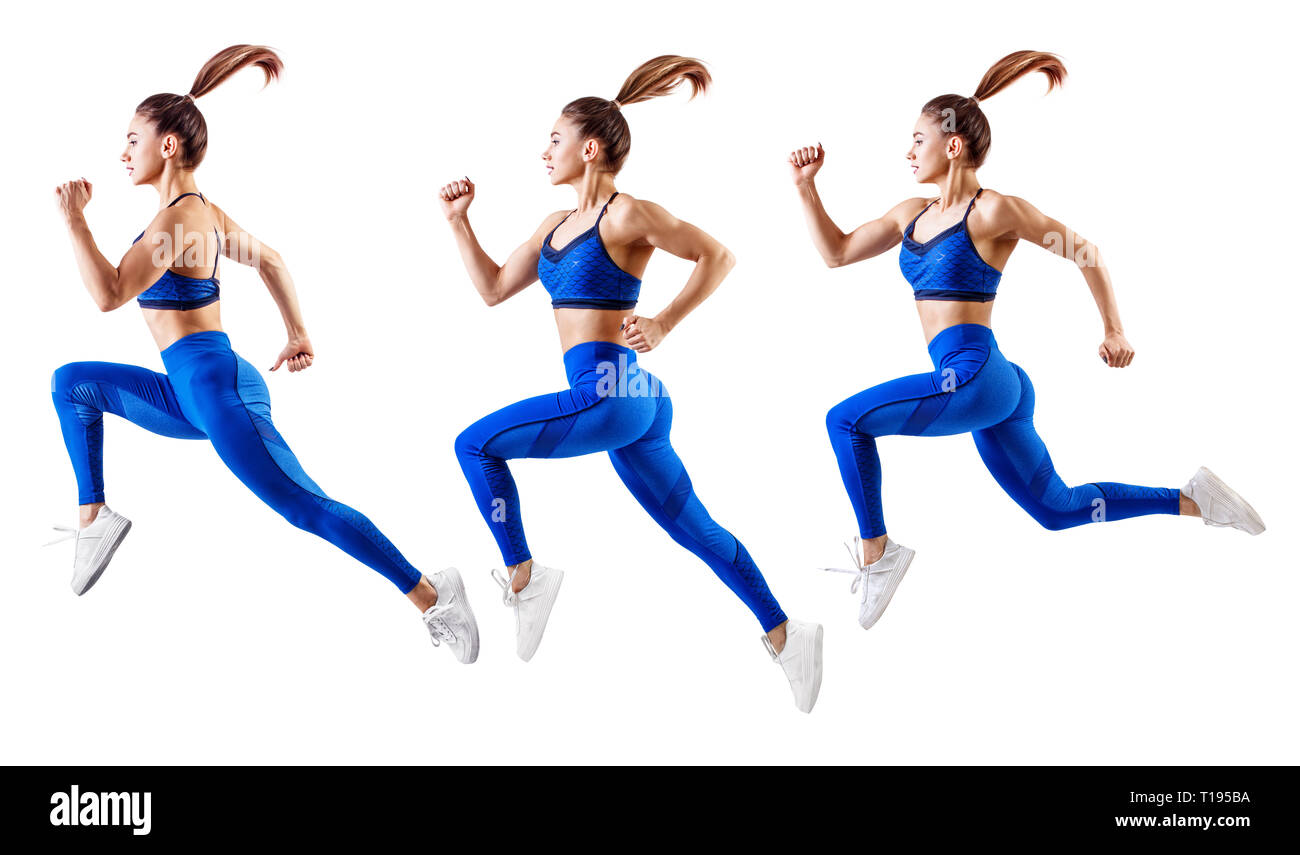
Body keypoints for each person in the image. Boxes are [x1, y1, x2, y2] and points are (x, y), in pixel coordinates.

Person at [788, 50, 1265, 631]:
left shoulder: (994, 212)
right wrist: (806, 188)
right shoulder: (910, 214)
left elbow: (1084, 249)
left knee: (844, 421)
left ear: (953, 145)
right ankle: (1195, 499)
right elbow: (836, 253)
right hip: (995, 386)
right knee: (1058, 510)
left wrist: (1113, 328)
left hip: (972, 374)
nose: (908, 151)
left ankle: (877, 552)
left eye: (917, 139)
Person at [48, 44, 478, 663]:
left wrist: (74, 221)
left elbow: (109, 293)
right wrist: (297, 332)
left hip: (217, 391)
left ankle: (434, 595)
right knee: (72, 383)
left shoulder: (178, 224)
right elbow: (271, 259)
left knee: (307, 509)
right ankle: (94, 516)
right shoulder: (203, 214)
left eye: (133, 139)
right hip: (192, 391)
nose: (123, 152)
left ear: (168, 145)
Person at [439, 55, 822, 711]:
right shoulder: (553, 228)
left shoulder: (626, 216)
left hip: (611, 393)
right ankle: (789, 635)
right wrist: (459, 222)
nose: (543, 152)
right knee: (695, 528)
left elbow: (717, 255)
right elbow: (496, 288)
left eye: (554, 140)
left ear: (589, 149)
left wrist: (667, 320)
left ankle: (524, 573)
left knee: (474, 446)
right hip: (636, 400)